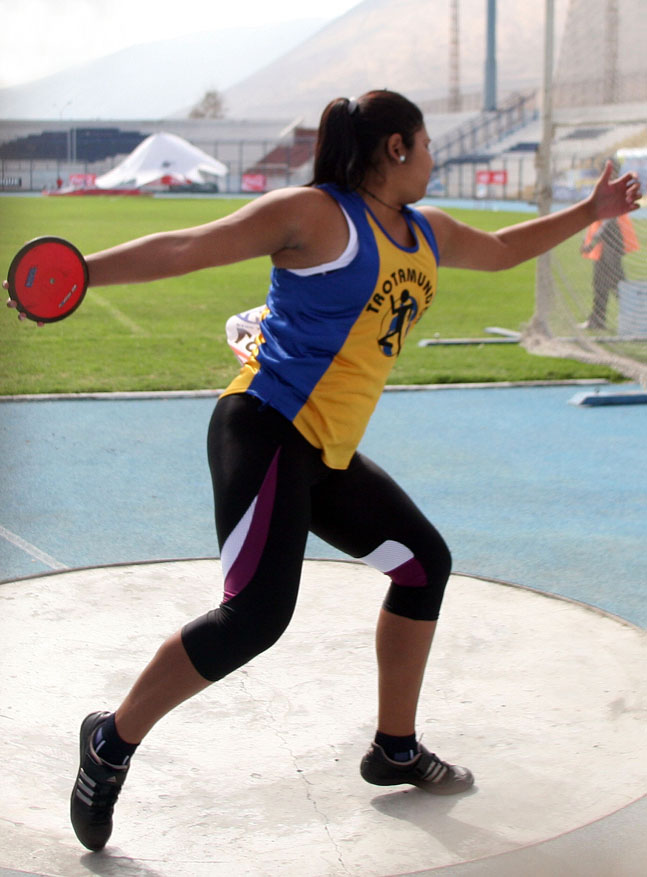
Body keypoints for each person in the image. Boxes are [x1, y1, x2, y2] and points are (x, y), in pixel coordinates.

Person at [5, 89, 642, 853]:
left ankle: (394, 747)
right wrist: (77, 275)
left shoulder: (426, 230)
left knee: (422, 562)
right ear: (396, 148)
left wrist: (591, 210)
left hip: (326, 451)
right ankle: (110, 739)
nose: (434, 157)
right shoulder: (315, 215)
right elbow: (188, 246)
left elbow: (503, 250)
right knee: (254, 617)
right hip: (266, 427)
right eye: (426, 143)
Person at [579, 211, 639, 330]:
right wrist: (586, 239)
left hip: (611, 249)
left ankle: (636, 319)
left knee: (618, 286)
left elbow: (609, 220)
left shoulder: (611, 203)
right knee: (600, 286)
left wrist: (592, 243)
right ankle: (597, 321)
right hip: (603, 249)